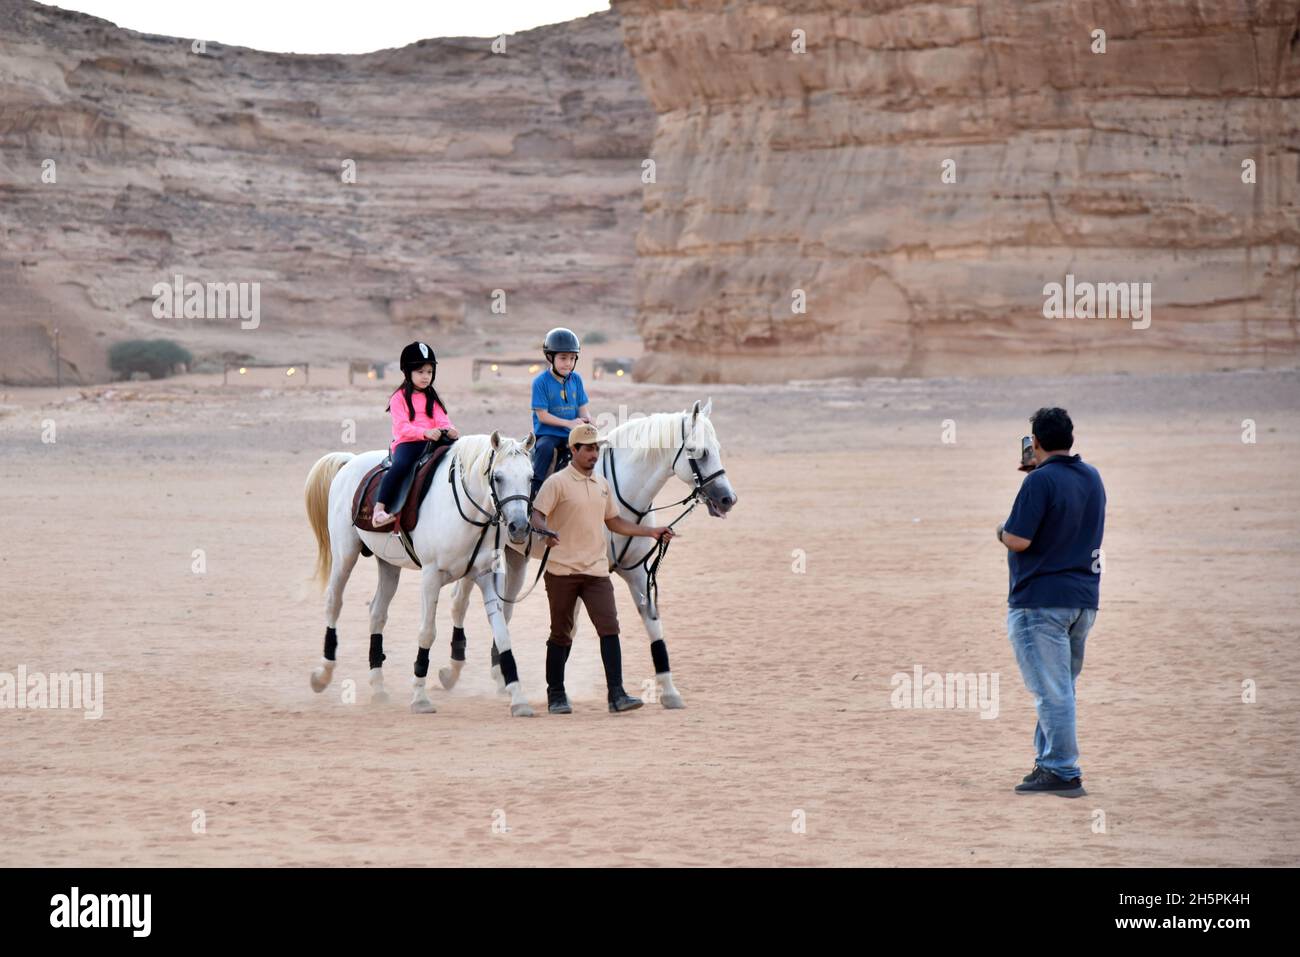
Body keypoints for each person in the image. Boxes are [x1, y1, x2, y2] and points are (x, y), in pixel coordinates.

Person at [530, 423, 677, 714]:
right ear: (573, 450)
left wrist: (652, 532)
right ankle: (556, 695)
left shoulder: (602, 484)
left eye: (597, 449)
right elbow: (536, 515)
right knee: (560, 633)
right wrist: (545, 532)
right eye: (588, 449)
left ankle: (617, 694)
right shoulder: (556, 483)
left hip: (597, 571)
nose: (594, 454)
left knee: (609, 629)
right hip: (562, 572)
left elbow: (615, 522)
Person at [996, 407, 1106, 797]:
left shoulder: (1039, 483)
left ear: (1036, 442)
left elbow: (1018, 538)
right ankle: (1049, 763)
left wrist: (1000, 531)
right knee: (1062, 686)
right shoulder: (1092, 477)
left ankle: (1062, 769)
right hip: (1082, 599)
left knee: (1051, 690)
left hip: (1041, 601)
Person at [372, 341, 459, 528]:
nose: (426, 377)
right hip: (408, 443)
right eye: (420, 372)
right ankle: (379, 510)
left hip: (434, 440)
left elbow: (442, 419)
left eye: (429, 372)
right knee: (401, 465)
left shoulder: (432, 397)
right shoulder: (399, 398)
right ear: (408, 372)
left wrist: (449, 429)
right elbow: (402, 427)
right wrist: (425, 432)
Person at [529, 327, 591, 499]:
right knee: (545, 448)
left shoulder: (576, 379)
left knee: (593, 450)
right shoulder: (540, 382)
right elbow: (542, 416)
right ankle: (535, 492)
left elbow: (583, 409)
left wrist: (589, 422)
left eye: (572, 358)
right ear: (550, 357)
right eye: (563, 358)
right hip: (548, 434)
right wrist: (568, 423)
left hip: (573, 433)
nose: (568, 363)